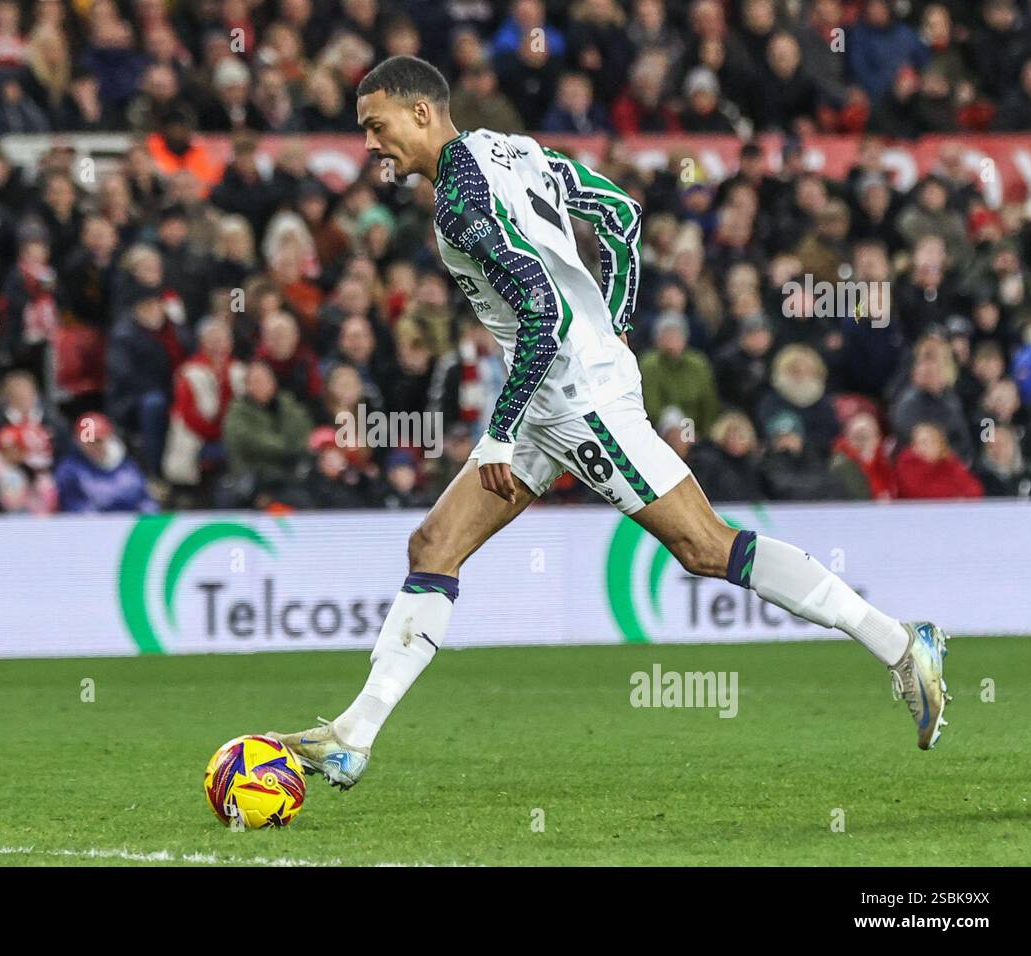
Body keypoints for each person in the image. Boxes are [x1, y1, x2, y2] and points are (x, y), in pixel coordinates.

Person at [267, 56, 951, 792]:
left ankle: (899, 642)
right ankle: (353, 737)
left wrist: (499, 430)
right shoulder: (514, 148)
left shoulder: (459, 204)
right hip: (558, 387)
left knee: (705, 546)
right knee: (433, 542)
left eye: (376, 126)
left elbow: (544, 313)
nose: (369, 144)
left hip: (573, 397)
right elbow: (621, 215)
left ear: (422, 112)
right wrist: (617, 322)